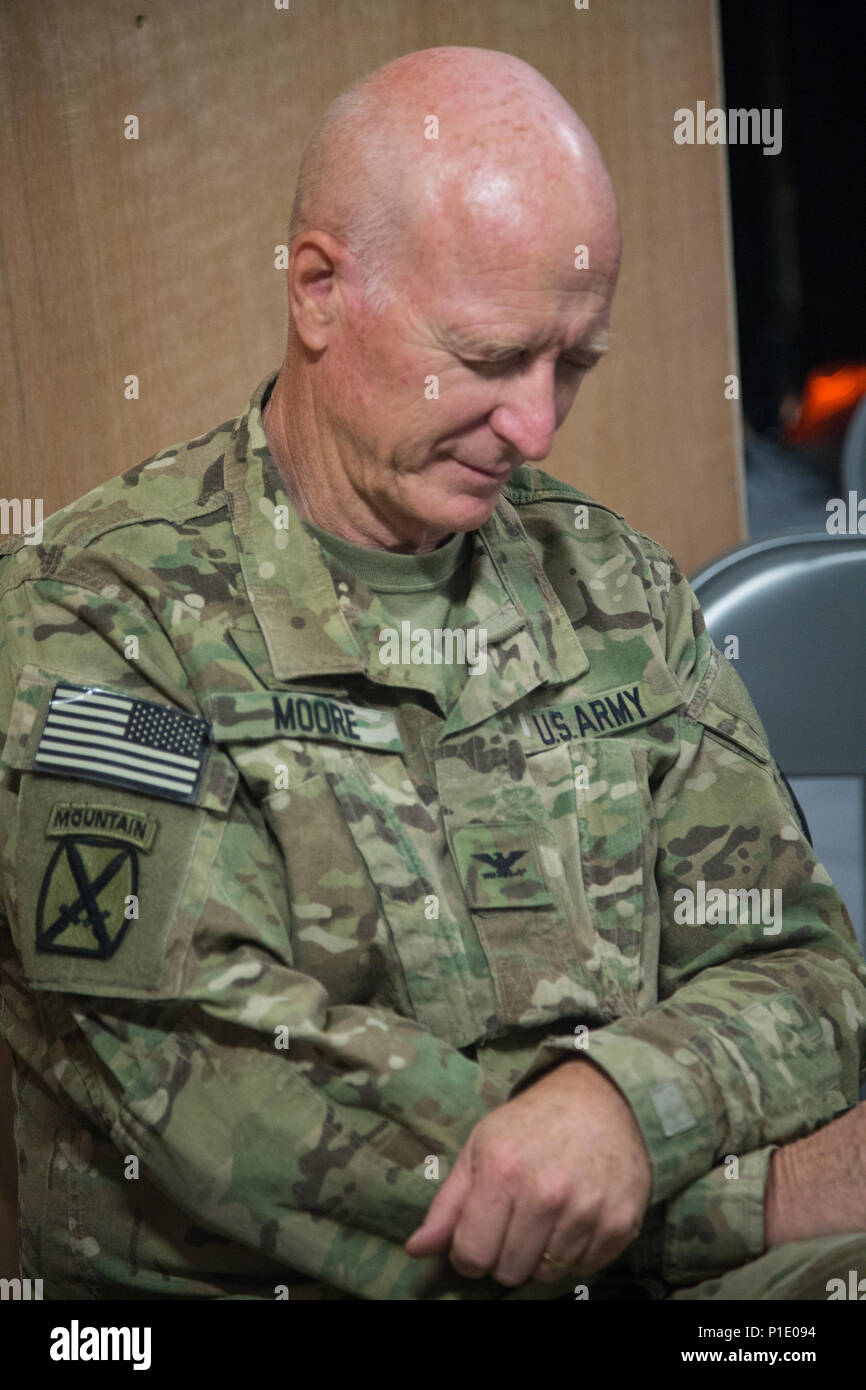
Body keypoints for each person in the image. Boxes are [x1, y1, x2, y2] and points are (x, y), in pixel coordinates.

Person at [0, 45, 864, 1302]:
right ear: (316, 290)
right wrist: (740, 1185)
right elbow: (223, 1089)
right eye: (487, 357)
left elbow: (804, 971)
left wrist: (627, 1104)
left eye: (571, 363)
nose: (536, 427)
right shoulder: (103, 615)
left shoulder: (608, 581)